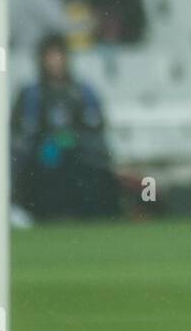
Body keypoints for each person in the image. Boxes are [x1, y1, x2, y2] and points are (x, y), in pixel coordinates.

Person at [11, 33, 119, 222]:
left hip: (78, 158)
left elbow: (96, 129)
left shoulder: (83, 92)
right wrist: (44, 143)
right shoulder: (30, 94)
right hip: (40, 162)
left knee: (88, 169)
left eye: (59, 56)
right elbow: (20, 134)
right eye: (50, 57)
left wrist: (74, 141)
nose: (55, 62)